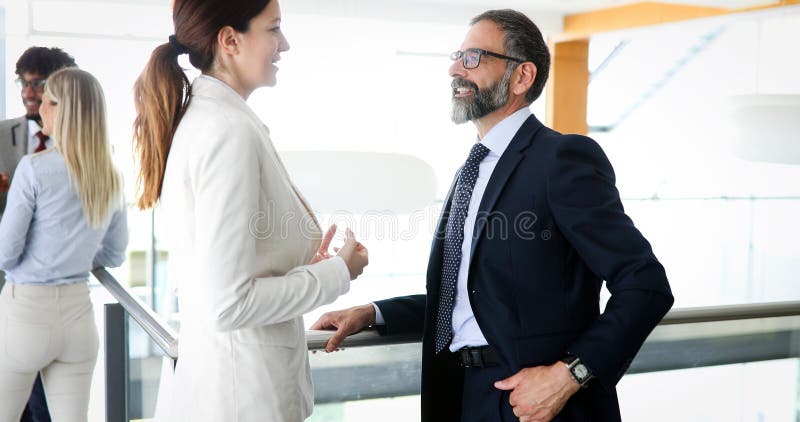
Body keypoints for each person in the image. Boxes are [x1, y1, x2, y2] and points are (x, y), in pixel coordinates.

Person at [311, 9, 674, 422]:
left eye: (473, 58)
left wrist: (569, 375)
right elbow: (472, 297)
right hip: (466, 396)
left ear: (522, 77)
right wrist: (374, 313)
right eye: (456, 56)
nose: (454, 69)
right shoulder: (473, 169)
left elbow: (645, 284)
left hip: (539, 405)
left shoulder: (561, 158)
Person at [132, 0, 369, 420]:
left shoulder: (211, 120)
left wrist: (299, 266)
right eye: (273, 29)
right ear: (229, 40)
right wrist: (337, 273)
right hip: (243, 397)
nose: (285, 44)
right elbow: (229, 303)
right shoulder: (227, 132)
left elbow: (224, 271)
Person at [0, 67, 128, 422]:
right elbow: (114, 254)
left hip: (26, 313)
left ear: (66, 110)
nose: (40, 108)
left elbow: (6, 254)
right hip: (78, 319)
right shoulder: (111, 175)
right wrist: (71, 255)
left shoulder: (34, 169)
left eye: (49, 101)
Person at [0, 46, 76, 422]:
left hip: (58, 298)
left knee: (47, 405)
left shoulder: (86, 151)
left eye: (39, 84)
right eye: (24, 83)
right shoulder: (1, 135)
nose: (29, 92)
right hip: (8, 289)